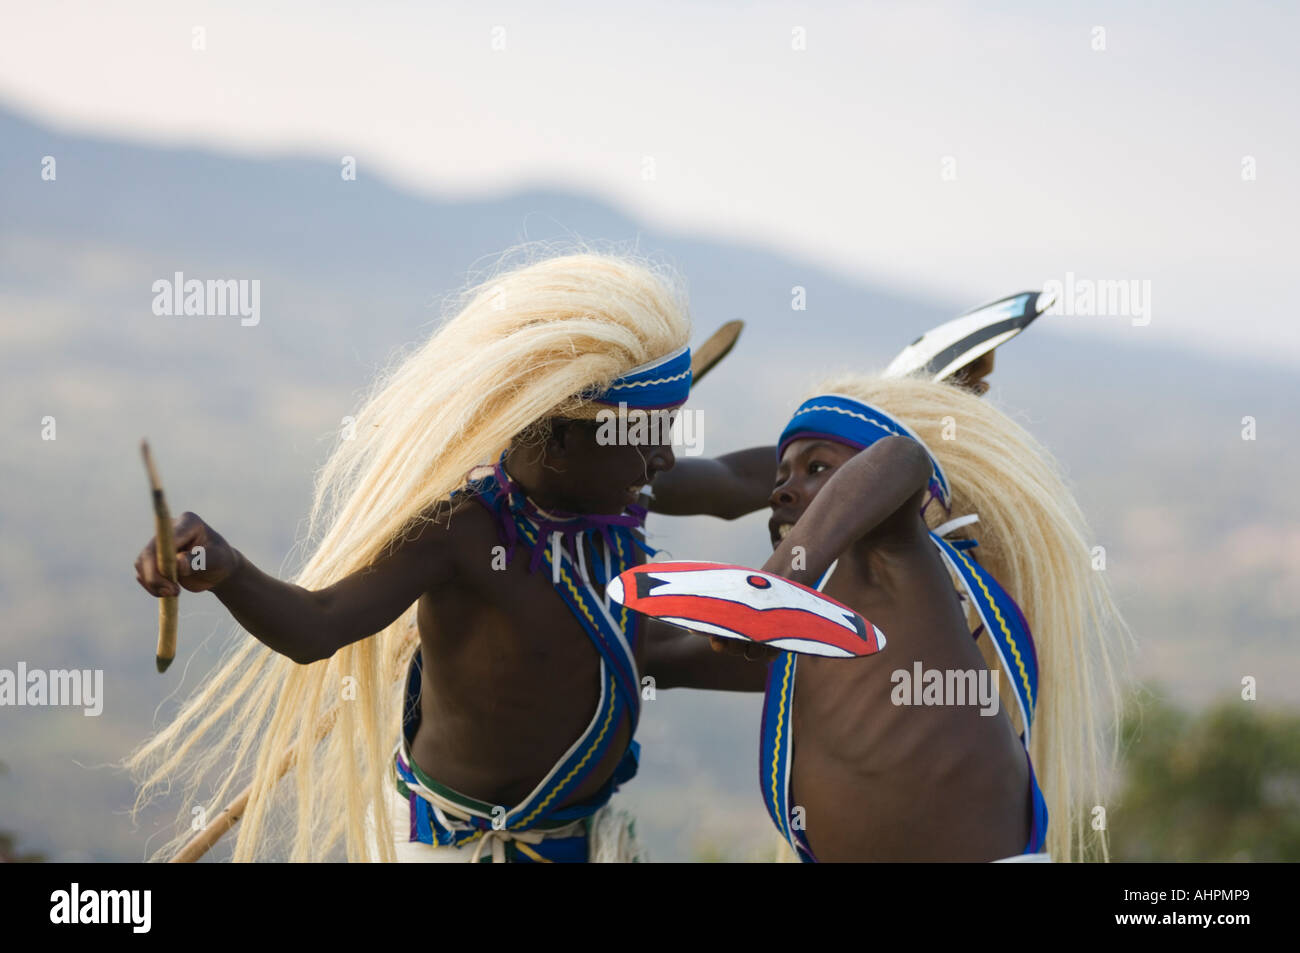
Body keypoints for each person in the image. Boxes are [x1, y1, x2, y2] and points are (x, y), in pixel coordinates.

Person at [129, 249, 768, 862]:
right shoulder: (460, 531)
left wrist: (854, 457)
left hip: (577, 841)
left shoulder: (621, 487)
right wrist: (229, 569)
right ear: (560, 439)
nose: (665, 459)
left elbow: (740, 487)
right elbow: (315, 626)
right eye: (646, 435)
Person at [754, 373, 1130, 862]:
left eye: (818, 468)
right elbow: (664, 653)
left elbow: (899, 457)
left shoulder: (910, 572)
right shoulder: (803, 639)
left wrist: (772, 587)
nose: (782, 491)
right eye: (780, 477)